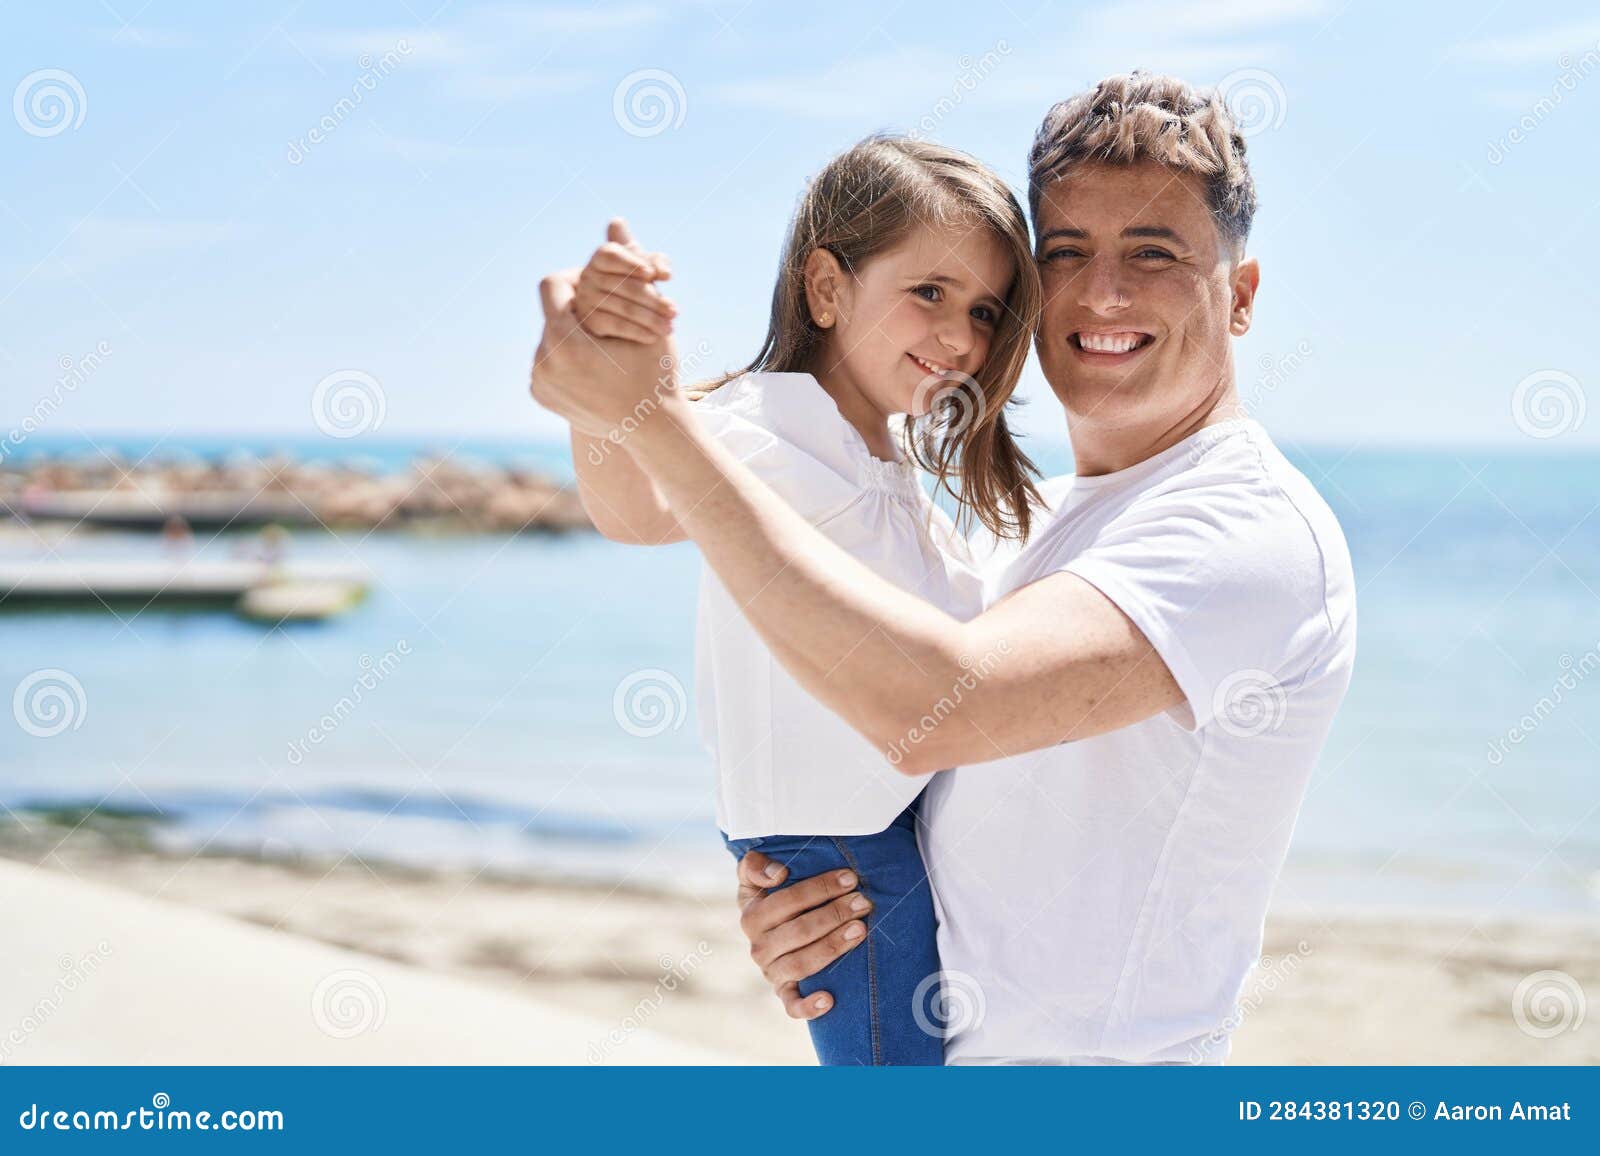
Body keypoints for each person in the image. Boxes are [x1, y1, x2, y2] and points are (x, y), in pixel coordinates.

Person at [530, 72, 1357, 1064]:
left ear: (1242, 294)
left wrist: (653, 422)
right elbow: (933, 776)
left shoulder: (1243, 529)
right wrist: (813, 893)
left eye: (1154, 254)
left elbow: (936, 706)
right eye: (1066, 255)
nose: (1102, 292)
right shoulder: (1029, 529)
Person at [565, 135, 1044, 1064]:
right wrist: (607, 385)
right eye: (929, 293)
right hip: (840, 850)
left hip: (887, 827)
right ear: (826, 289)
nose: (959, 339)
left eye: (984, 311)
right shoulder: (761, 426)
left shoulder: (888, 462)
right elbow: (636, 507)